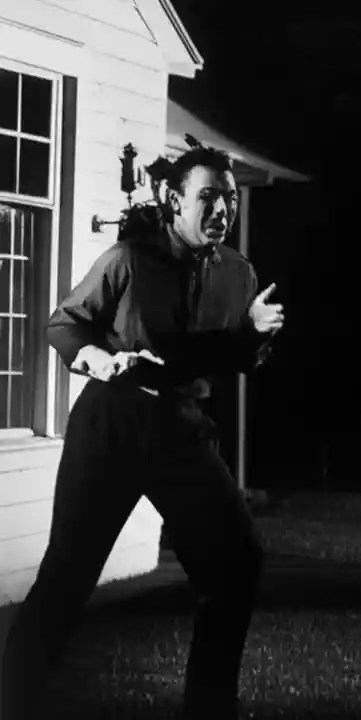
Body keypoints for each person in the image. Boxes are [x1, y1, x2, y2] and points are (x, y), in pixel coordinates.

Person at [0, 144, 284, 720]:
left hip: (180, 428)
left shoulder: (239, 274)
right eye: (208, 196)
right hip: (113, 422)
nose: (222, 209)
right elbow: (65, 325)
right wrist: (100, 361)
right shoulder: (127, 259)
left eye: (229, 198)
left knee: (237, 564)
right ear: (174, 200)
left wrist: (257, 335)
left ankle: (209, 710)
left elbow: (230, 359)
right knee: (66, 580)